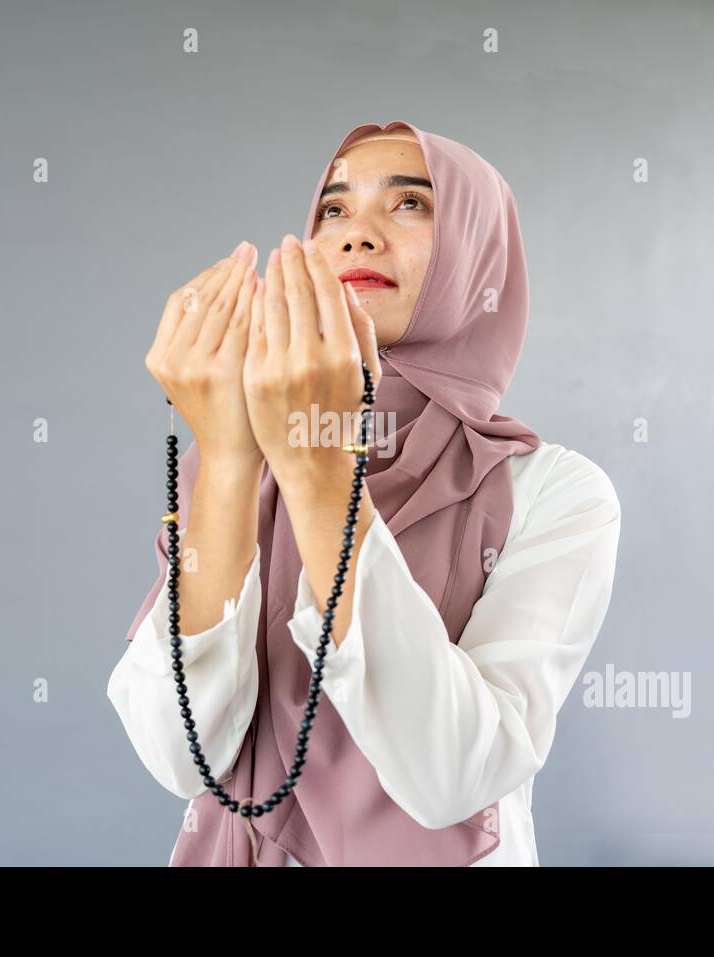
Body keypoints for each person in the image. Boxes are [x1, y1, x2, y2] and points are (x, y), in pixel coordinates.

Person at [107, 120, 622, 866]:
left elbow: (453, 776)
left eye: (411, 205)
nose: (358, 235)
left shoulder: (551, 493)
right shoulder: (230, 464)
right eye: (334, 210)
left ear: (476, 259)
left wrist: (318, 467)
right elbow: (179, 755)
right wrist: (224, 456)